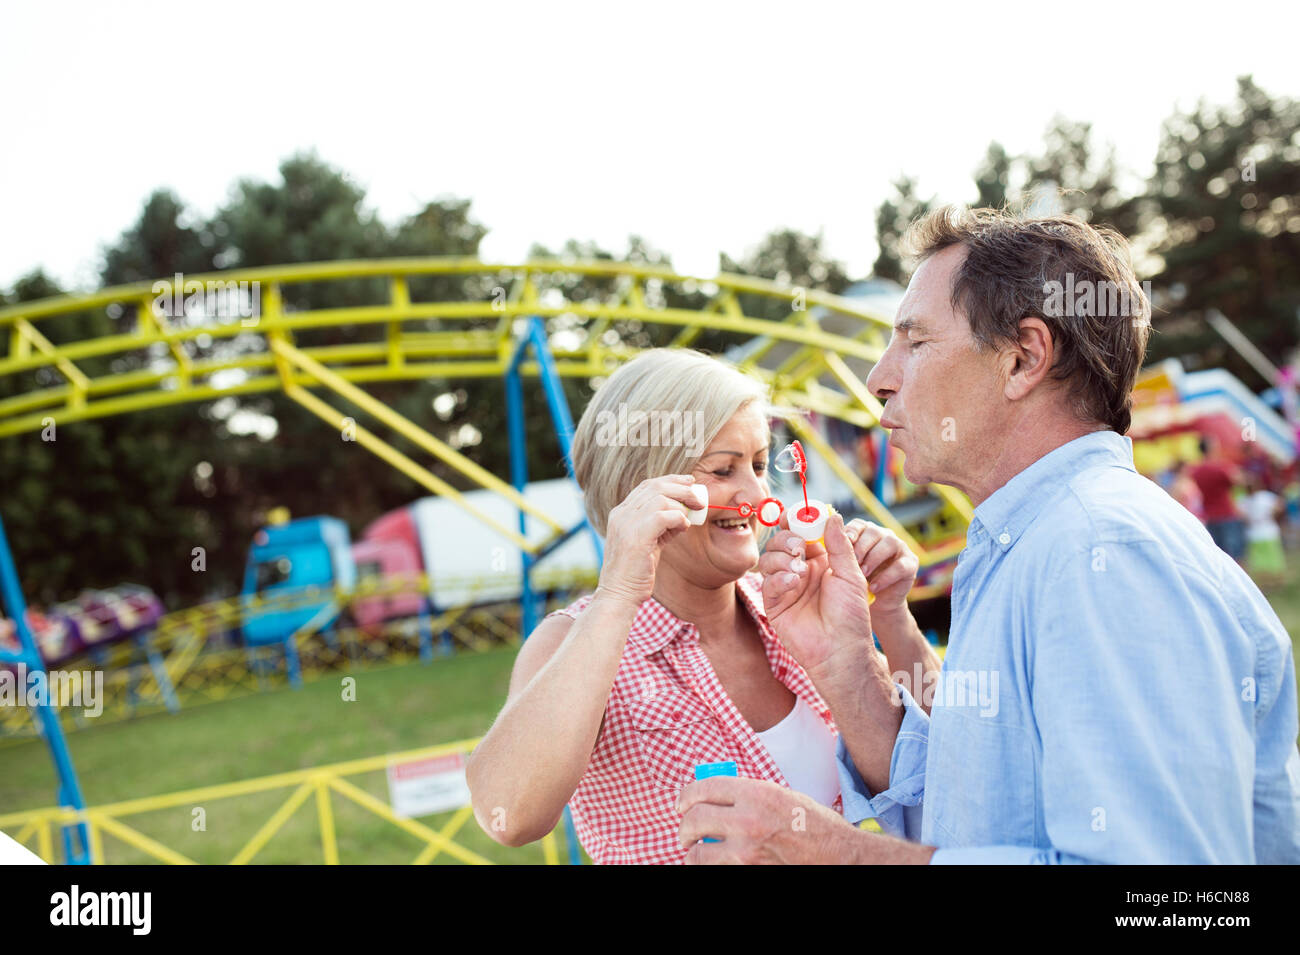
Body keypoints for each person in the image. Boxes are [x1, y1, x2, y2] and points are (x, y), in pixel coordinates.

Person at [677, 206, 1300, 864]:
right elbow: (971, 825)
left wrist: (838, 855)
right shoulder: (1032, 545)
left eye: (915, 342)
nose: (878, 378)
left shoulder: (1104, 554)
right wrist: (848, 666)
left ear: (1023, 358)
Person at [465, 348, 939, 864]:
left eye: (759, 465)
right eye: (723, 469)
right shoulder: (575, 638)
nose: (757, 493)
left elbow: (938, 773)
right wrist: (620, 592)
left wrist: (891, 616)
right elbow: (506, 815)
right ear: (639, 486)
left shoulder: (791, 602)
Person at [1189, 436, 1246, 563]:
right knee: (1234, 554)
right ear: (1211, 448)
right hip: (1227, 513)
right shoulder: (1221, 467)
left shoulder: (1196, 470)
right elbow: (1239, 481)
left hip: (1209, 515)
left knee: (1218, 555)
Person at [1242, 472, 1286, 582]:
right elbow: (1279, 505)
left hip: (1261, 532)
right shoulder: (1261, 497)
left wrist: (1273, 515)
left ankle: (1273, 579)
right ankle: (1271, 580)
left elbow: (1279, 505)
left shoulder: (1258, 498)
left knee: (1267, 558)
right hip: (1262, 532)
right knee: (1267, 558)